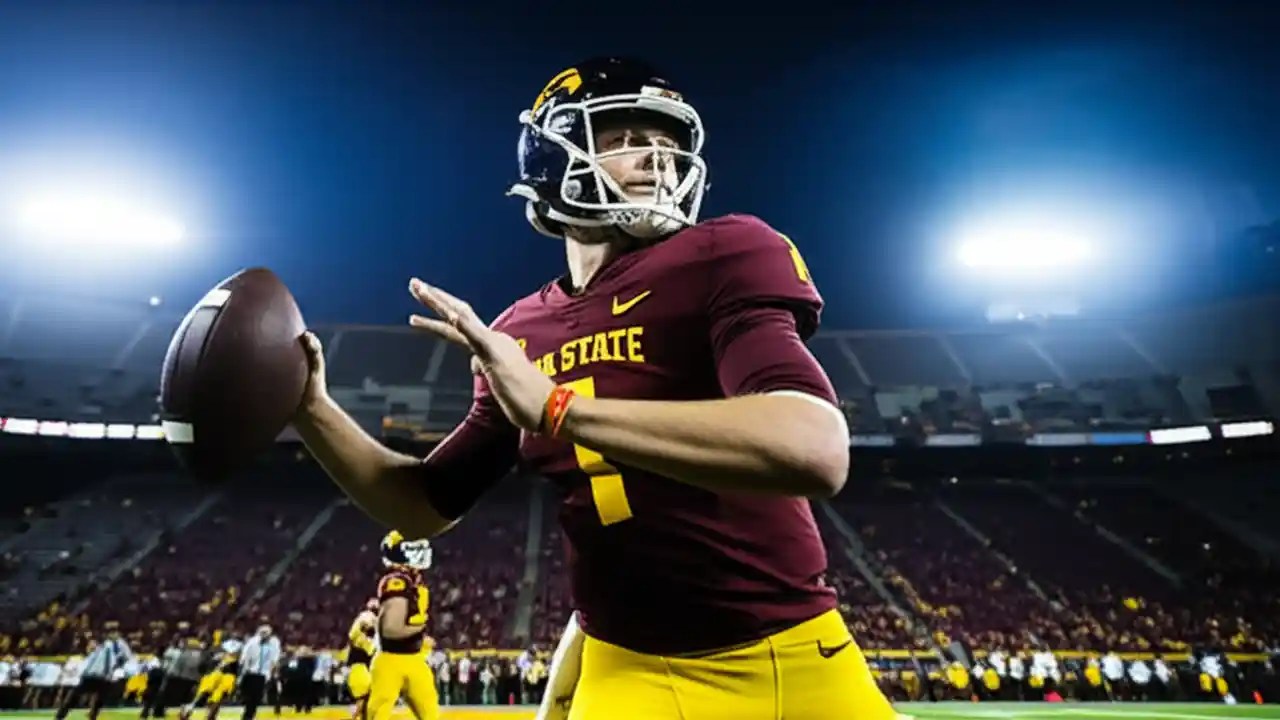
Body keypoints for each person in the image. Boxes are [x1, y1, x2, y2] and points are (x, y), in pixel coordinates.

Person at [294, 56, 896, 719]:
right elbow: (423, 504)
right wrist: (310, 408)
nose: (657, 160)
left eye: (669, 144)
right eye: (627, 139)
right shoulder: (518, 330)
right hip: (629, 663)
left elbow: (813, 447)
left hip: (792, 655)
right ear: (553, 158)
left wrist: (557, 409)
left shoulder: (722, 254)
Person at [366, 531, 439, 720]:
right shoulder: (397, 581)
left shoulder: (413, 580)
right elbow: (391, 630)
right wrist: (420, 628)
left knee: (431, 714)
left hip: (413, 658)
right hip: (392, 660)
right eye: (415, 547)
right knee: (379, 714)